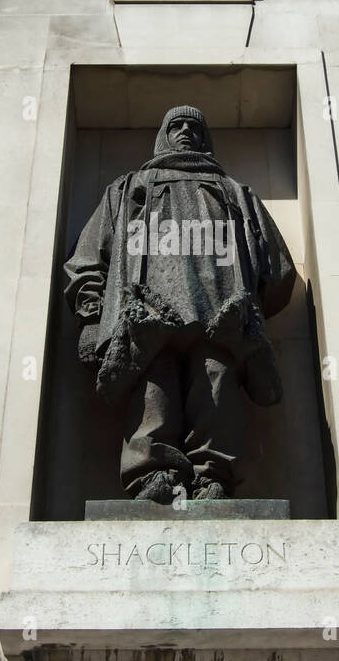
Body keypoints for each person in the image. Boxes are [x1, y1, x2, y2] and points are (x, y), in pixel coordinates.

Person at [64, 105, 297, 502]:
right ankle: (152, 475)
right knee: (153, 387)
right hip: (149, 318)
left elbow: (277, 267)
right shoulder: (127, 189)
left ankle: (213, 476)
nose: (186, 130)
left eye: (194, 125)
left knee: (216, 384)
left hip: (217, 317)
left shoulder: (236, 194)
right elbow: (87, 259)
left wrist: (247, 315)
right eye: (177, 125)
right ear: (164, 135)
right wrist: (91, 314)